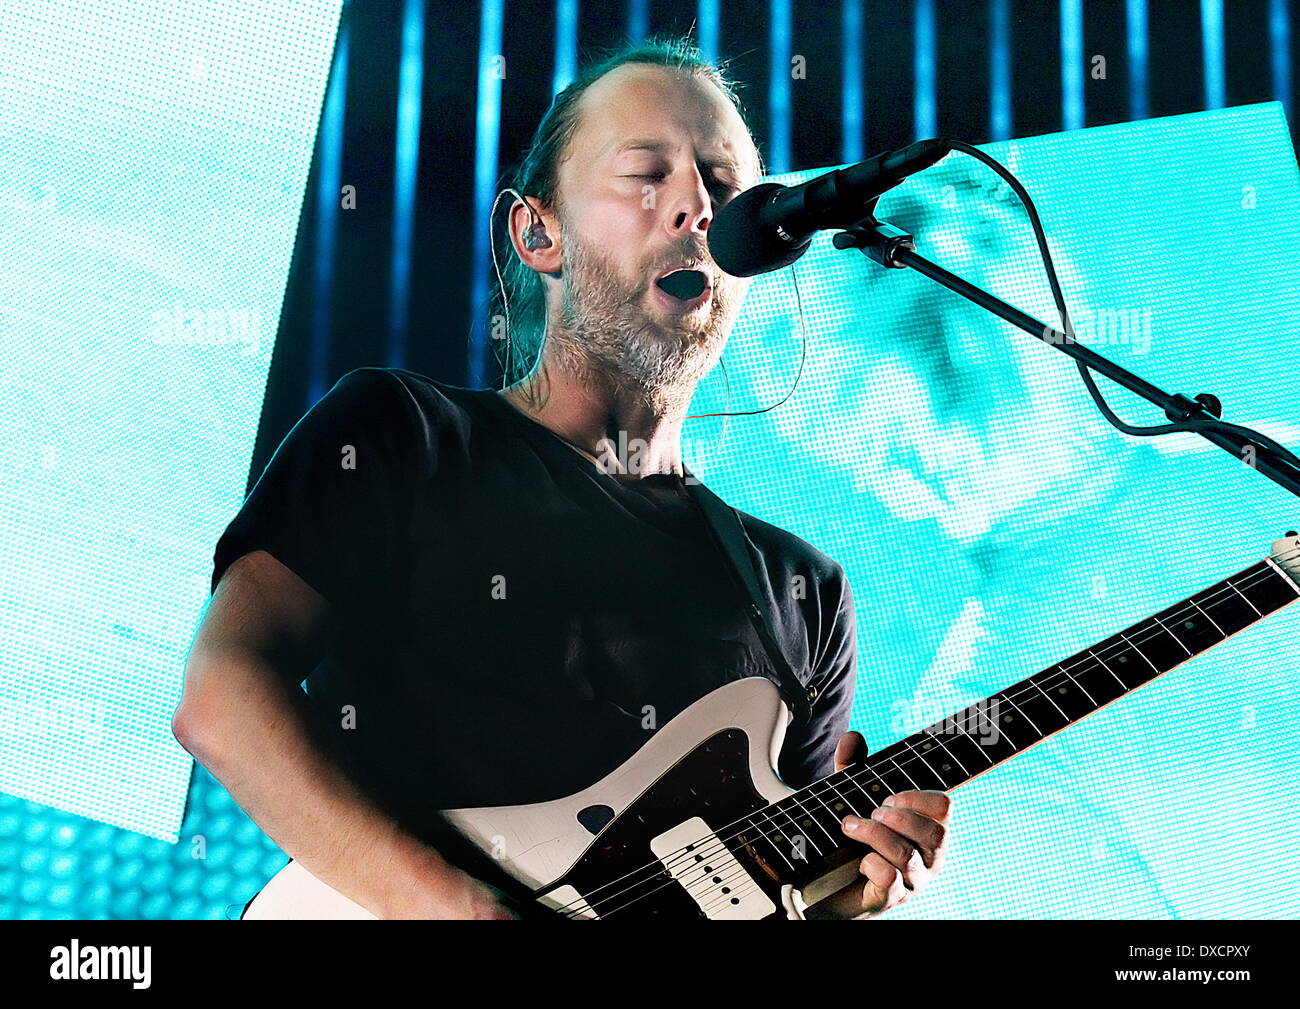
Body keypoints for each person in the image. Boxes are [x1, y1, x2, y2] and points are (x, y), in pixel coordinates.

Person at [172, 37, 950, 920]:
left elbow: (763, 902)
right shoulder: (403, 435)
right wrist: (458, 908)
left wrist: (854, 893)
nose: (696, 205)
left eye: (726, 187)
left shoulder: (804, 593)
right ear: (537, 233)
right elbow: (223, 693)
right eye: (646, 174)